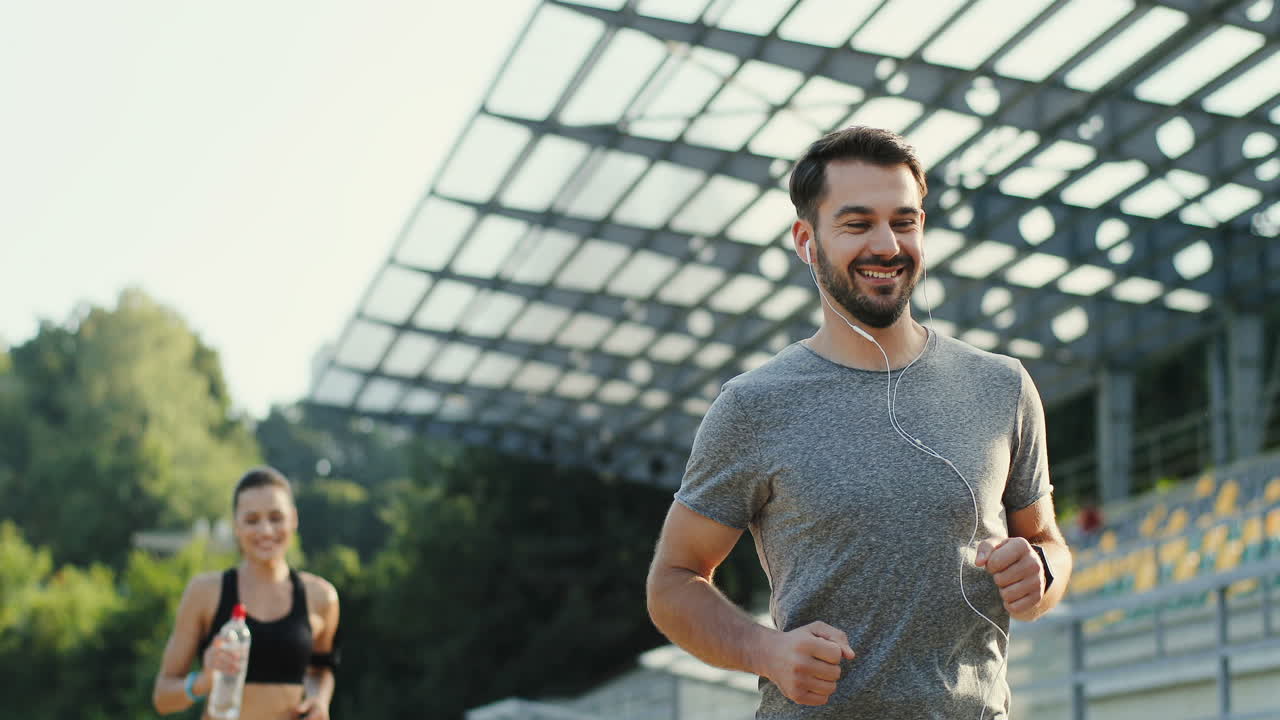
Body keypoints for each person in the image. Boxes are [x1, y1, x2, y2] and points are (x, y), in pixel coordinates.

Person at [646, 126, 1072, 719]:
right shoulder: (754, 406)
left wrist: (1044, 571)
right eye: (856, 223)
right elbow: (672, 581)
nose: (887, 244)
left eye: (904, 221)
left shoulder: (1002, 386)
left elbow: (1047, 541)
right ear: (806, 240)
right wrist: (766, 651)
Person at [153, 467, 340, 720]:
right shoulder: (204, 592)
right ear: (236, 526)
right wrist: (204, 681)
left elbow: (320, 669)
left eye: (276, 518)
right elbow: (163, 698)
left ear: (293, 519)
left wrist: (319, 700)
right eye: (252, 520)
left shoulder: (321, 597)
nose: (265, 531)